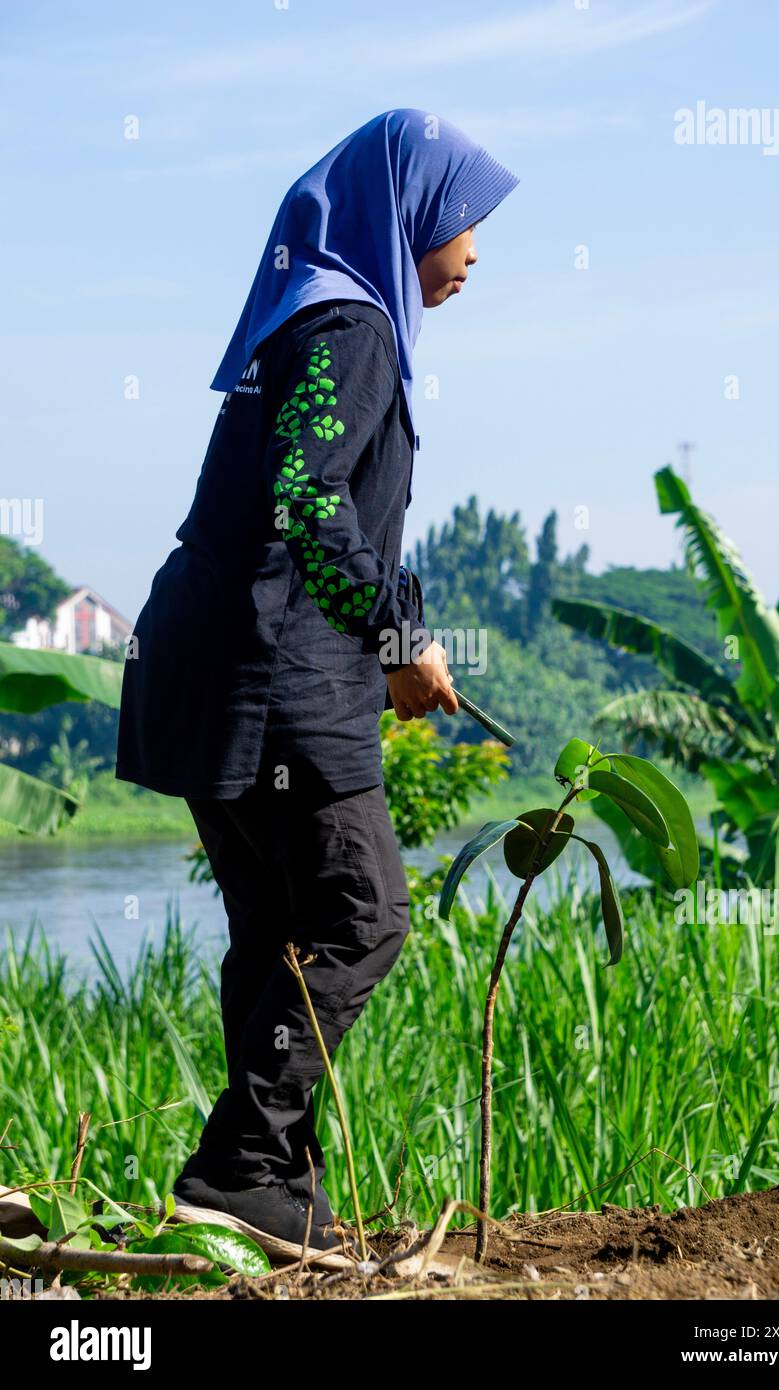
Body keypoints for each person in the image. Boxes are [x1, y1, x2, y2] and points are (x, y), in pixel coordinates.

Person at [114, 108, 519, 1258]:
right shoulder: (348, 324)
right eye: (462, 222)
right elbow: (308, 500)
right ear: (406, 213)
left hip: (217, 658)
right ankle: (243, 1166)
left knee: (277, 930)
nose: (473, 254)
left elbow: (327, 509)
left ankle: (273, 1184)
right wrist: (398, 644)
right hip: (269, 671)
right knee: (360, 915)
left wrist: (401, 625)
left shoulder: (315, 319)